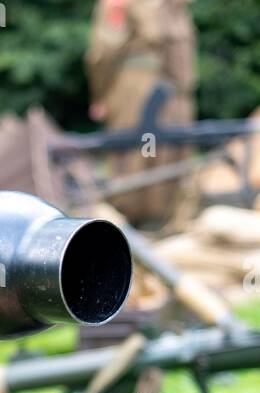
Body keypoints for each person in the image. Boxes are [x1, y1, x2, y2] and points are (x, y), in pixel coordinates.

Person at [86, 0, 198, 227]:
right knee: (135, 156)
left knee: (167, 155)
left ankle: (160, 221)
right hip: (136, 89)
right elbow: (103, 54)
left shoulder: (175, 9)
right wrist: (100, 96)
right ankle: (127, 221)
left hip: (172, 93)